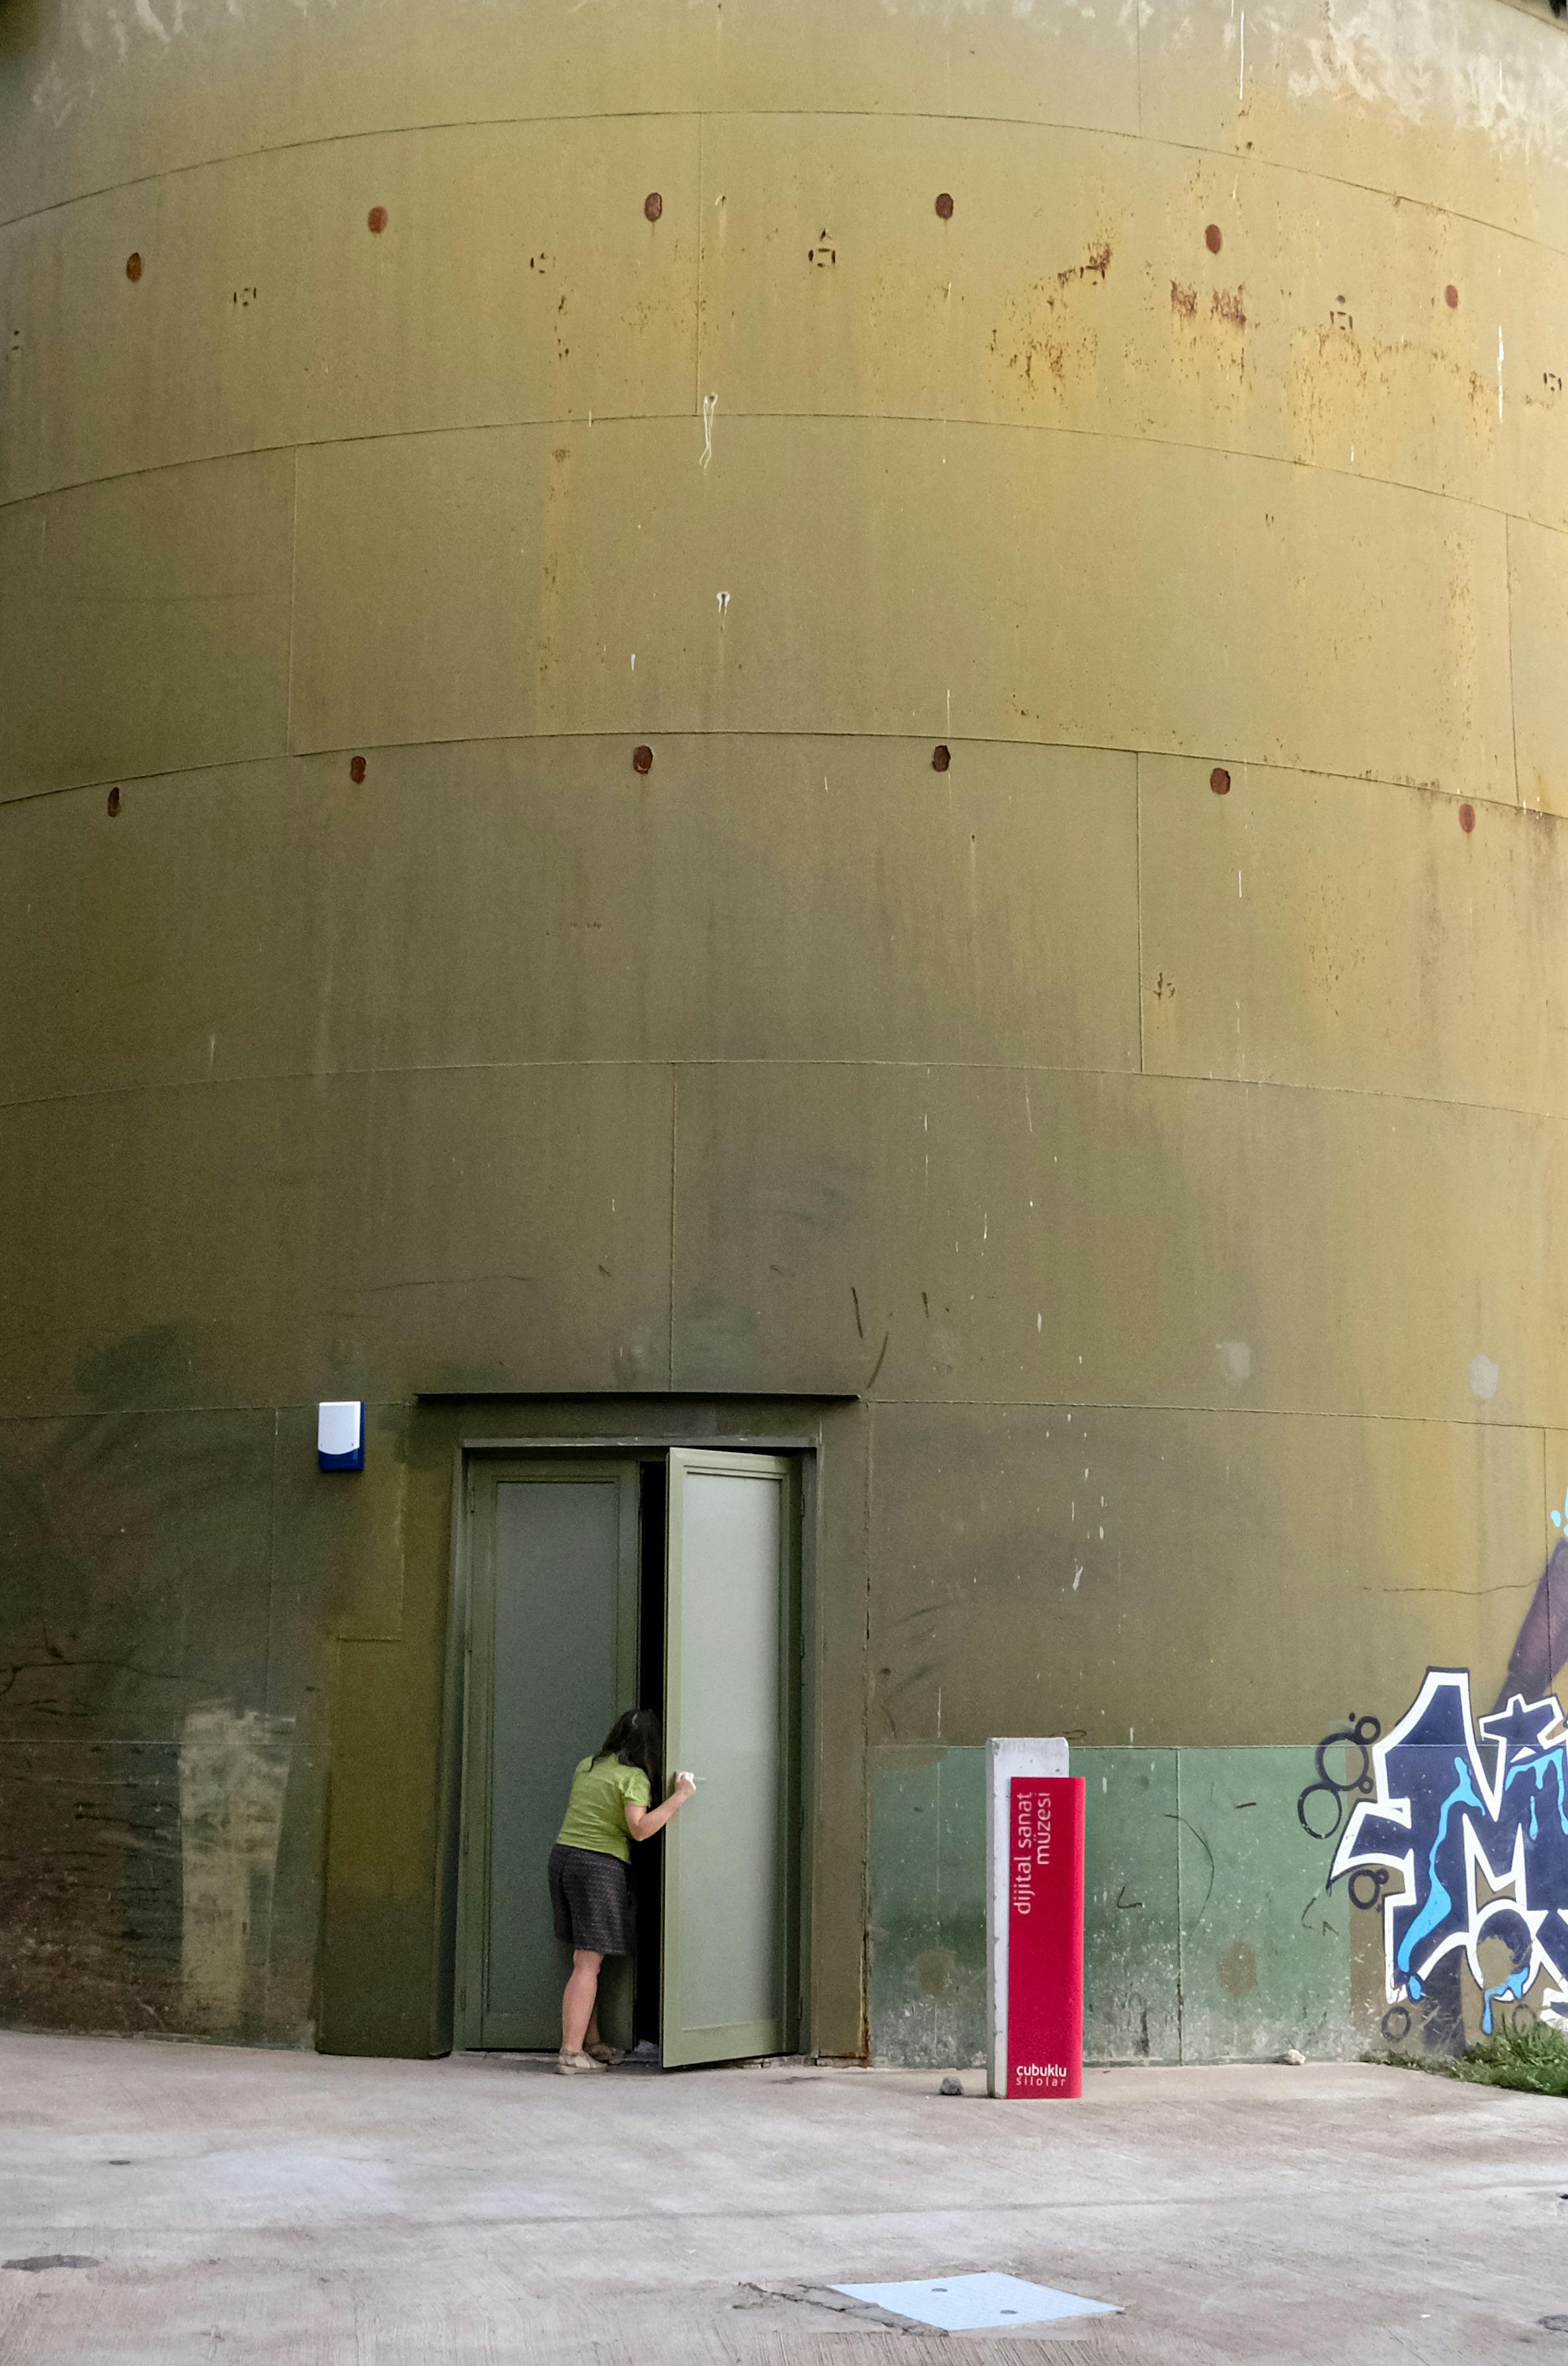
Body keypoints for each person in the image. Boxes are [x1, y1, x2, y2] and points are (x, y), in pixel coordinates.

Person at [547, 1708, 696, 2074]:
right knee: (588, 1962)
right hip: (598, 1867)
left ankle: (589, 2043)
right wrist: (680, 1796)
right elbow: (640, 1829)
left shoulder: (587, 1766)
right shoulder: (634, 1779)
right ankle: (570, 2053)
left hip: (564, 1859)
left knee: (583, 1960)